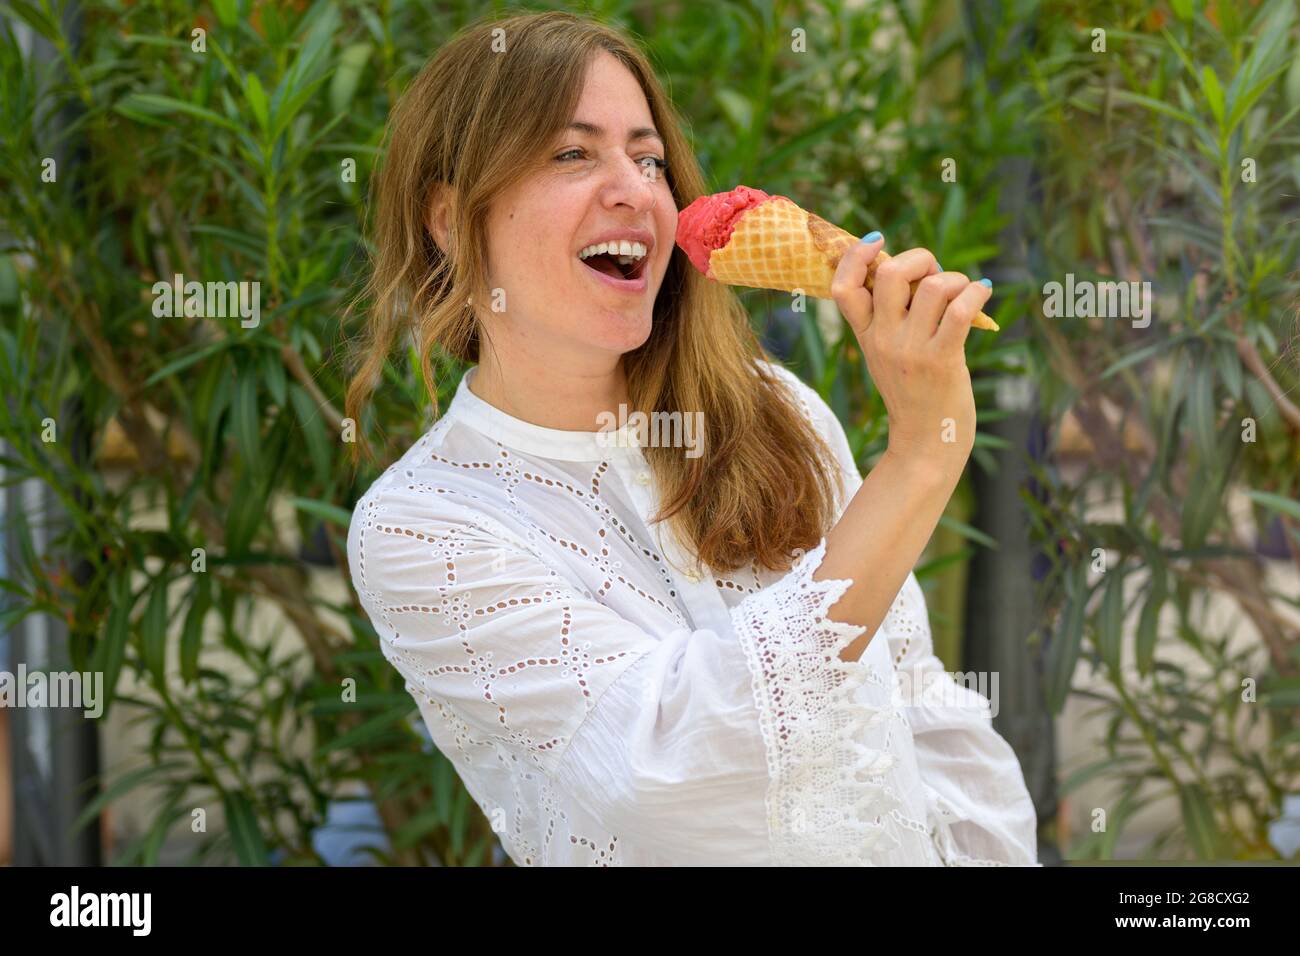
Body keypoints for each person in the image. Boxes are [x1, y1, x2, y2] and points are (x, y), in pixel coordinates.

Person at [344, 10, 1037, 866]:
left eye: (649, 158)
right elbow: (669, 771)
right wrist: (920, 460)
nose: (635, 189)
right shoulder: (424, 528)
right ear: (449, 219)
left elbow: (924, 711)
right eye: (572, 153)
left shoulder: (778, 408)